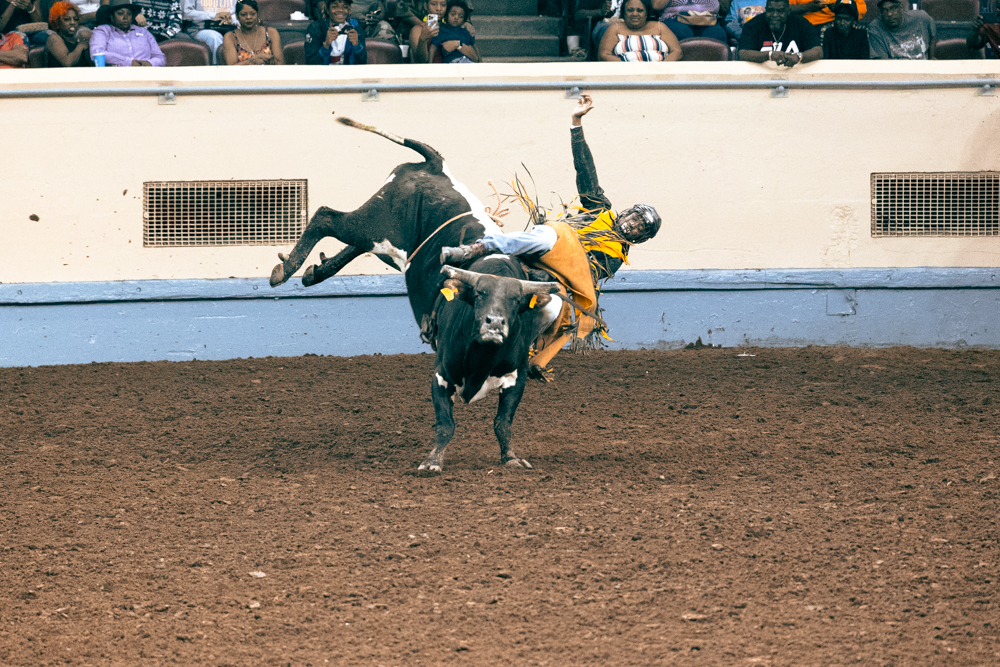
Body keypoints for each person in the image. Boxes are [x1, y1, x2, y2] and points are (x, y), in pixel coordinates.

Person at [440, 94, 662, 374]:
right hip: (552, 242)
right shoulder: (598, 209)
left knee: (552, 309)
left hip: (556, 275)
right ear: (626, 211)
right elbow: (585, 171)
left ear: (640, 238)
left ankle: (522, 350)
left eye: (642, 228)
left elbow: (583, 276)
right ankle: (476, 249)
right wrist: (576, 122)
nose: (634, 225)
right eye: (635, 218)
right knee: (543, 238)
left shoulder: (616, 258)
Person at [737, 0, 821, 65]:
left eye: (780, 11)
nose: (774, 15)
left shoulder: (801, 23)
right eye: (770, 10)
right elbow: (743, 53)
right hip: (761, 76)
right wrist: (769, 55)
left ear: (788, 11)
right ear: (766, 9)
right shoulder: (753, 25)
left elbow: (818, 51)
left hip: (796, 75)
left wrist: (799, 56)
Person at [599, 0, 682, 61]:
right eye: (630, 10)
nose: (635, 14)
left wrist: (662, 68)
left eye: (640, 10)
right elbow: (603, 55)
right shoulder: (615, 28)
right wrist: (627, 68)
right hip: (626, 78)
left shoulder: (660, 27)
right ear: (624, 13)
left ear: (647, 13)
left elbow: (677, 51)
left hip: (660, 76)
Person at [90, 0, 165, 65]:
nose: (125, 17)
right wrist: (129, 62)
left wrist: (149, 63)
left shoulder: (143, 32)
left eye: (129, 14)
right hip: (117, 76)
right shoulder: (102, 31)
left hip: (147, 74)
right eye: (120, 13)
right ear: (111, 16)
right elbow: (97, 53)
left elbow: (160, 57)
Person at [305, 0, 367, 64]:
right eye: (335, 7)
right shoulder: (315, 29)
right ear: (327, 10)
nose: (340, 10)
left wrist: (357, 46)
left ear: (349, 10)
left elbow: (362, 64)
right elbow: (310, 64)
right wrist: (326, 45)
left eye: (345, 7)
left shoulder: (356, 28)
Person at [867, 0, 934, 59]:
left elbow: (932, 36)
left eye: (893, 8)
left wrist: (931, 58)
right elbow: (883, 63)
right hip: (894, 71)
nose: (889, 14)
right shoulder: (875, 27)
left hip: (923, 69)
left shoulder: (921, 18)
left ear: (901, 8)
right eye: (884, 10)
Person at [222, 0, 283, 64]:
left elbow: (281, 64)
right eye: (243, 15)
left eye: (253, 14)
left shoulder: (271, 33)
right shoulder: (230, 37)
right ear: (237, 16)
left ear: (257, 14)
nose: (249, 17)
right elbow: (231, 69)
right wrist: (254, 60)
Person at [182, 0, 236, 64]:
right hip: (200, 29)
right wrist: (213, 15)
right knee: (214, 37)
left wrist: (231, 19)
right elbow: (186, 14)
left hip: (227, 28)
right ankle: (218, 70)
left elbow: (236, 14)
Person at [46, 1, 94, 66]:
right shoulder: (53, 38)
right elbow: (68, 62)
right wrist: (81, 46)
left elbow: (91, 64)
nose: (72, 22)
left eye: (75, 19)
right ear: (57, 23)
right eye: (67, 19)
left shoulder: (79, 38)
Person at [654, 0, 727, 43]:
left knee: (717, 34)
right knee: (682, 32)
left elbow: (725, 8)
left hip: (708, 20)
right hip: (674, 19)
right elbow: (656, 5)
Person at [788, 0, 865, 32]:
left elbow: (861, 9)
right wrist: (808, 7)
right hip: (805, 24)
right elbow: (784, 8)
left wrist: (840, 7)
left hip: (836, 24)